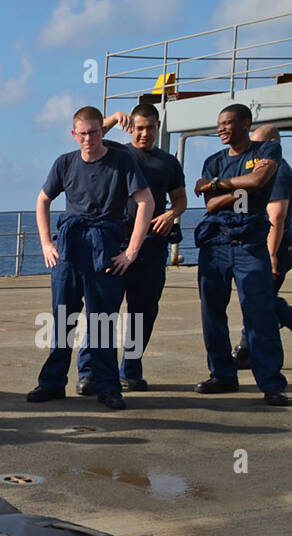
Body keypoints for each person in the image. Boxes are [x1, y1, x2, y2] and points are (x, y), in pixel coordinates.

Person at [29, 106, 152, 411]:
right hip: (70, 249)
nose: (88, 139)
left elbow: (145, 202)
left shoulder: (122, 160)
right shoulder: (65, 163)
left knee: (101, 323)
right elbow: (43, 199)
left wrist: (131, 251)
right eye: (82, 134)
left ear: (102, 132)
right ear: (74, 135)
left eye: (94, 132)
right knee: (62, 321)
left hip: (105, 246)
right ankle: (53, 383)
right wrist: (46, 243)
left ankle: (107, 386)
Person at [74, 106, 186, 391]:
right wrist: (111, 118)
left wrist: (172, 214)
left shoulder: (168, 162)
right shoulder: (117, 153)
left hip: (151, 246)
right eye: (138, 127)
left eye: (150, 127)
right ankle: (89, 372)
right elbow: (91, 137)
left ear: (158, 127)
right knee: (101, 310)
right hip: (115, 243)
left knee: (142, 310)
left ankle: (131, 369)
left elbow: (180, 199)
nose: (144, 133)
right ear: (131, 128)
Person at [191, 104, 287, 406]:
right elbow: (209, 205)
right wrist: (238, 190)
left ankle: (271, 383)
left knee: (259, 313)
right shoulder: (212, 160)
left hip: (250, 244)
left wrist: (219, 187)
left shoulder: (268, 151)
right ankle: (222, 374)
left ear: (246, 123)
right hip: (215, 243)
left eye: (228, 123)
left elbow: (258, 183)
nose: (221, 129)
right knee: (212, 312)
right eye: (219, 124)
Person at [233, 124, 292, 368]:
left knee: (260, 298)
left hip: (277, 244)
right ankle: (247, 349)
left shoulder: (276, 170)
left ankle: (247, 350)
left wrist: (271, 255)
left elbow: (277, 215)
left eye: (258, 143)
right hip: (266, 240)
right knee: (259, 297)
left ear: (272, 144)